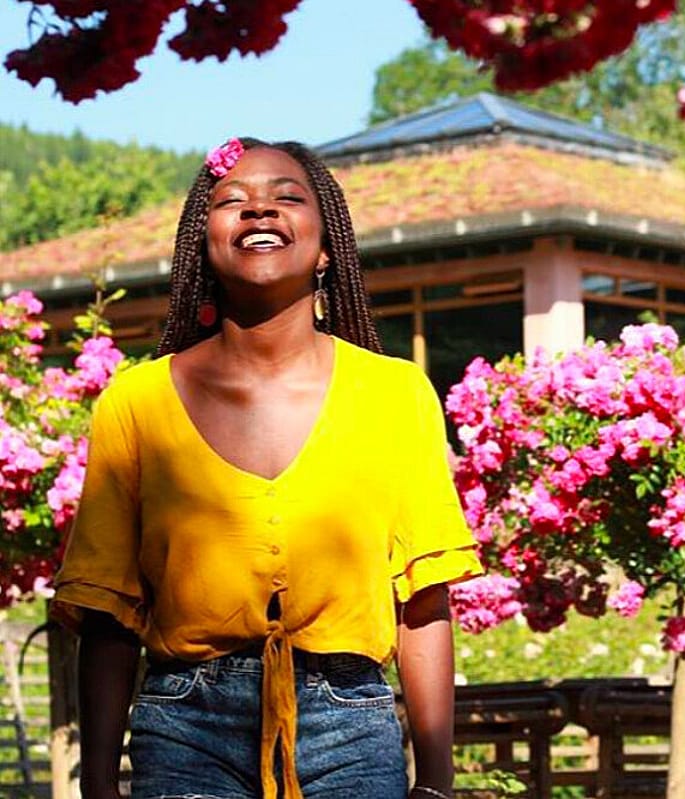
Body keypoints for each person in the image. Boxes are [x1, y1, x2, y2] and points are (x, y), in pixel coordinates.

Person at [51, 137, 483, 799]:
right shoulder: (135, 404)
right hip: (184, 728)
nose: (259, 210)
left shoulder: (397, 396)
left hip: (352, 728)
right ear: (203, 246)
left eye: (287, 197)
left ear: (327, 247)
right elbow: (110, 612)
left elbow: (422, 601)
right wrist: (100, 782)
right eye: (233, 201)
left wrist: (436, 781)